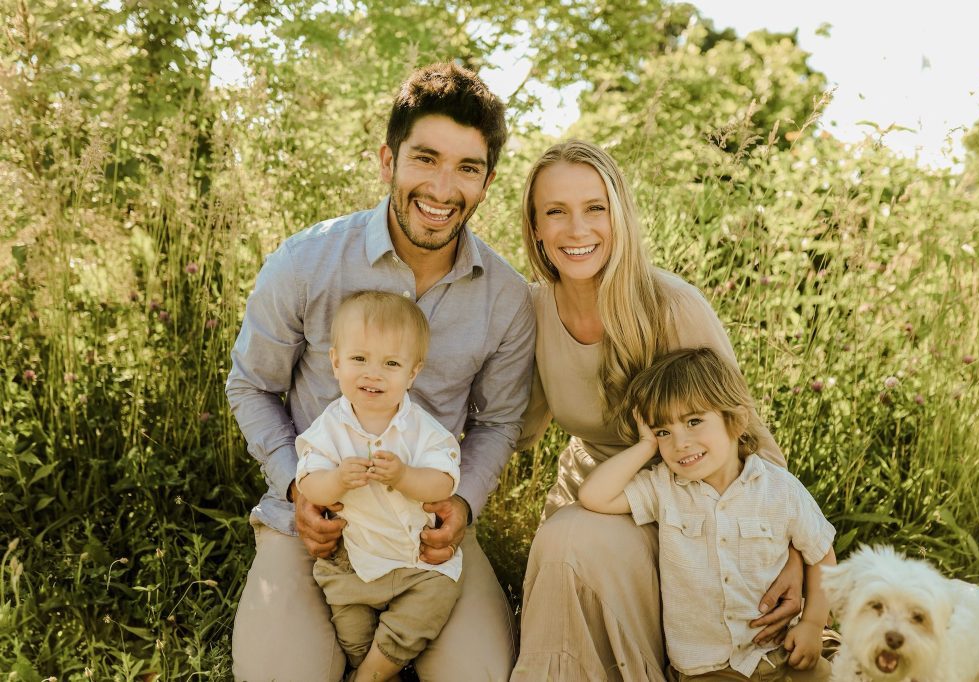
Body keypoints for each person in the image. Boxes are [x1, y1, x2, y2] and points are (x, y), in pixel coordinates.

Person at [226, 61, 535, 682]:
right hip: (314, 527)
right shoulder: (306, 261)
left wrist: (462, 507)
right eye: (426, 159)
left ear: (487, 182)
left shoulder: (506, 297)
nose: (444, 188)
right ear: (387, 160)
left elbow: (499, 422)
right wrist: (295, 488)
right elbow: (251, 385)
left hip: (425, 534)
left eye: (467, 168)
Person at [511, 140, 805, 681]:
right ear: (535, 228)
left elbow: (749, 436)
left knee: (571, 539)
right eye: (556, 211)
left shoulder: (672, 306)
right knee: (566, 537)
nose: (577, 230)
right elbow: (508, 427)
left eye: (595, 208)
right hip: (592, 495)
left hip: (690, 506)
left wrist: (795, 556)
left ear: (619, 215)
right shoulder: (528, 310)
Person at [579, 347, 836, 681]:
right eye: (664, 432)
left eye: (694, 421)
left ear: (737, 419)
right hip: (707, 670)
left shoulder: (779, 489)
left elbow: (820, 555)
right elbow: (593, 495)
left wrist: (813, 624)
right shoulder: (664, 489)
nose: (680, 443)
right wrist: (645, 446)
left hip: (781, 652)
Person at [296, 291, 463, 682]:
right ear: (335, 362)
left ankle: (374, 671)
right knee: (352, 631)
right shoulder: (328, 429)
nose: (373, 374)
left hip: (416, 561)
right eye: (359, 359)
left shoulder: (421, 429)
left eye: (391, 363)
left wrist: (405, 477)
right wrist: (336, 480)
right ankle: (372, 665)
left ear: (413, 372)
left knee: (437, 596)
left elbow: (443, 482)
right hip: (352, 563)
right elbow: (310, 486)